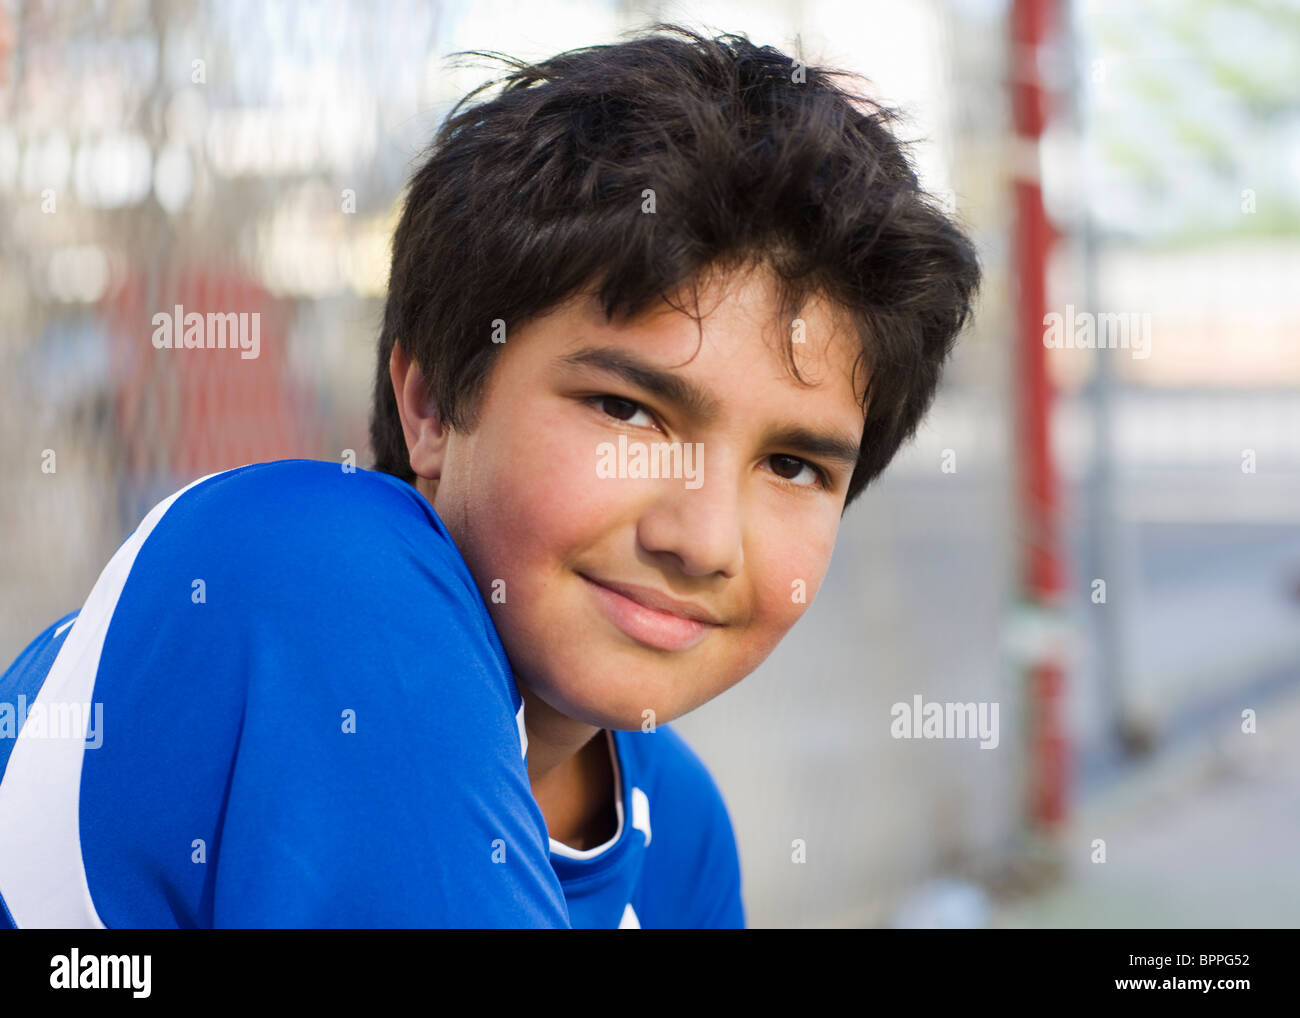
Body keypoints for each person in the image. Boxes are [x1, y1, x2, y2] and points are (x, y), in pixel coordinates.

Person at [0, 23, 979, 928]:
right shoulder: (317, 576)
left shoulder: (676, 833)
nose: (703, 537)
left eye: (793, 464)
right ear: (431, 406)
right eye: (627, 410)